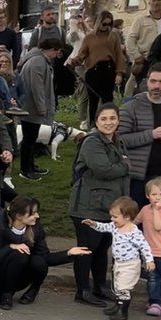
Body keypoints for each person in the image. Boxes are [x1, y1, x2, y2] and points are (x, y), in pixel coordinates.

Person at [0, 196, 91, 310]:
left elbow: (45, 257)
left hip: (20, 275)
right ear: (19, 216)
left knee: (39, 261)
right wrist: (11, 247)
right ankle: (6, 295)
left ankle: (34, 289)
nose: (37, 216)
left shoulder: (35, 228)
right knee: (20, 254)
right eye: (33, 213)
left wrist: (68, 253)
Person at [69, 103, 130, 307]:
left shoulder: (117, 142)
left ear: (118, 120)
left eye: (112, 118)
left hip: (108, 207)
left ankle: (100, 287)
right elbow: (103, 169)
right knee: (87, 249)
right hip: (87, 206)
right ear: (96, 121)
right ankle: (83, 290)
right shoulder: (92, 142)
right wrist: (125, 165)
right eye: (103, 119)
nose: (108, 122)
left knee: (103, 248)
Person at [81, 197, 156, 320]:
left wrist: (149, 260)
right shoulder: (115, 226)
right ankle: (117, 306)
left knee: (123, 287)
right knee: (116, 286)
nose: (112, 219)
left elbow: (144, 246)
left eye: (115, 217)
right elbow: (103, 227)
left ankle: (123, 311)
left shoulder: (134, 232)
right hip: (118, 263)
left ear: (127, 217)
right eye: (111, 216)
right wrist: (93, 224)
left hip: (130, 264)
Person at [68, 11, 126, 125]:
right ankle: (93, 125)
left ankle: (108, 124)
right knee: (93, 100)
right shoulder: (89, 37)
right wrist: (74, 61)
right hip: (93, 70)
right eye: (104, 24)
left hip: (109, 69)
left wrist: (119, 73)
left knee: (107, 100)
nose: (106, 27)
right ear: (98, 22)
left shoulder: (113, 36)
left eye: (109, 24)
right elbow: (82, 54)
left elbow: (119, 55)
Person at [17, 38, 63, 181]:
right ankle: (25, 169)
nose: (57, 55)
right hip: (31, 107)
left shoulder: (37, 59)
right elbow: (37, 87)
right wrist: (42, 107)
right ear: (50, 49)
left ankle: (31, 165)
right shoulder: (38, 61)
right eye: (57, 51)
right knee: (29, 139)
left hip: (32, 106)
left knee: (32, 137)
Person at [118, 63, 161, 207]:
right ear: (146, 81)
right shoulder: (131, 107)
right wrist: (151, 134)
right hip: (139, 176)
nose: (156, 86)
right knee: (137, 219)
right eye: (153, 81)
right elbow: (119, 139)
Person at [135, 178, 161, 315]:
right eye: (154, 194)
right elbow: (135, 222)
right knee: (152, 278)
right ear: (147, 196)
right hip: (150, 253)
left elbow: (158, 227)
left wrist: (157, 211)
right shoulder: (145, 209)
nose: (157, 198)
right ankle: (154, 302)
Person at [126, 0, 161, 89]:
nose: (156, 3)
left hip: (159, 60)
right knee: (142, 88)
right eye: (153, 0)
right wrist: (137, 56)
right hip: (144, 60)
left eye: (158, 1)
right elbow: (130, 39)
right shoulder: (140, 20)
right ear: (149, 2)